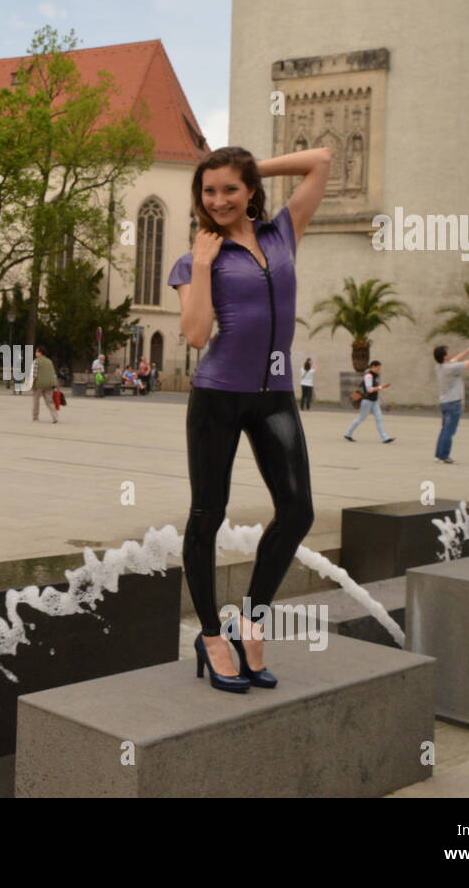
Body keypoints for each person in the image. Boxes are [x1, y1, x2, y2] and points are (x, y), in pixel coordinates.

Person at [169, 144, 329, 692]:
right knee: (206, 516)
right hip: (217, 395)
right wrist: (207, 263)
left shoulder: (281, 233)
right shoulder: (195, 258)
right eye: (209, 191)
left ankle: (251, 617)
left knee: (298, 510)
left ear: (251, 190)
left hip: (276, 394)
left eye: (231, 189)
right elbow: (193, 335)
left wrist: (253, 164)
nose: (218, 200)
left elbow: (322, 160)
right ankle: (211, 633)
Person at [432, 340, 469, 464]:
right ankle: (445, 456)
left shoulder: (439, 366)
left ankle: (438, 455)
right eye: (448, 352)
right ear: (445, 356)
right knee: (449, 431)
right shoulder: (451, 368)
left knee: (444, 430)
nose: (450, 354)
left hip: (444, 402)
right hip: (453, 403)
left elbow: (456, 358)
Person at [344, 360, 395, 443]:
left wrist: (379, 389)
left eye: (380, 368)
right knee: (360, 418)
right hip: (367, 400)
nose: (379, 370)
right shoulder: (369, 376)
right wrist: (382, 387)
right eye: (378, 368)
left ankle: (385, 438)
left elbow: (374, 389)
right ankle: (348, 433)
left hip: (374, 401)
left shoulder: (375, 376)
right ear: (373, 367)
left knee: (379, 418)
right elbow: (369, 389)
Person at [31, 346, 59, 423]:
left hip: (39, 384)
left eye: (36, 351)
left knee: (36, 401)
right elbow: (53, 373)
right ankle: (55, 417)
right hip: (49, 384)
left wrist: (32, 384)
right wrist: (55, 384)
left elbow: (34, 375)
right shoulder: (49, 361)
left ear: (40, 352)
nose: (35, 353)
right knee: (49, 401)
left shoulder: (36, 361)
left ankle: (35, 417)